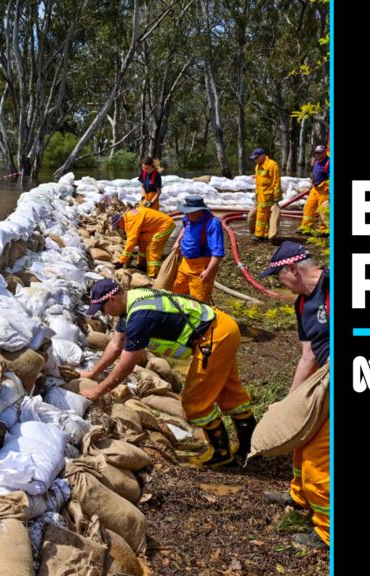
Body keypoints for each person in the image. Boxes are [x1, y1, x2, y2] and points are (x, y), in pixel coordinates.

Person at [79, 279, 256, 468]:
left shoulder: (140, 317)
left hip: (214, 337)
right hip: (222, 327)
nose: (103, 313)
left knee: (195, 402)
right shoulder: (131, 303)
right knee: (229, 392)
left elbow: (127, 365)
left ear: (112, 299)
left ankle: (221, 454)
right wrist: (92, 374)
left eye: (102, 308)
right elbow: (116, 345)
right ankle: (250, 447)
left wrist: (98, 391)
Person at [257, 242, 330, 548]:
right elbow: (307, 355)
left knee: (319, 460)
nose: (279, 283)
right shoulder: (302, 304)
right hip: (323, 382)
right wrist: (289, 403)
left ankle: (327, 531)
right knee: (301, 440)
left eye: (279, 276)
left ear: (292, 268)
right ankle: (300, 497)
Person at [172, 195, 224, 302]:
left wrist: (208, 271)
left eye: (190, 212)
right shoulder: (188, 217)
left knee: (199, 300)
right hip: (185, 263)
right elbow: (185, 228)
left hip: (201, 267)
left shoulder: (213, 224)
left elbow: (217, 253)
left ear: (200, 211)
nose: (187, 215)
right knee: (177, 291)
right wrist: (177, 242)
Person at [112, 206, 175, 278]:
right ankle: (142, 265)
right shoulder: (128, 217)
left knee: (152, 249)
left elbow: (131, 241)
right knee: (142, 241)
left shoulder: (131, 221)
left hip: (165, 226)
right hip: (154, 227)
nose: (119, 228)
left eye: (118, 226)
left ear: (120, 220)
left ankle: (153, 274)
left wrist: (121, 261)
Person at [250, 147, 282, 243]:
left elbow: (276, 181)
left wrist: (276, 196)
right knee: (264, 216)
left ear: (263, 156)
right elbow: (258, 183)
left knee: (262, 216)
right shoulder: (258, 166)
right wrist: (256, 194)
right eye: (254, 159)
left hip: (268, 195)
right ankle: (265, 234)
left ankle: (260, 235)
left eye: (256, 158)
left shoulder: (272, 165)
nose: (255, 160)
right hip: (261, 196)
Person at [299, 145, 330, 236]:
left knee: (323, 210)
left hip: (324, 190)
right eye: (316, 153)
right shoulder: (316, 162)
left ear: (324, 152)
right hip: (315, 189)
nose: (318, 155)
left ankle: (324, 230)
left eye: (320, 153)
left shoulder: (329, 163)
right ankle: (306, 227)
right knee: (308, 207)